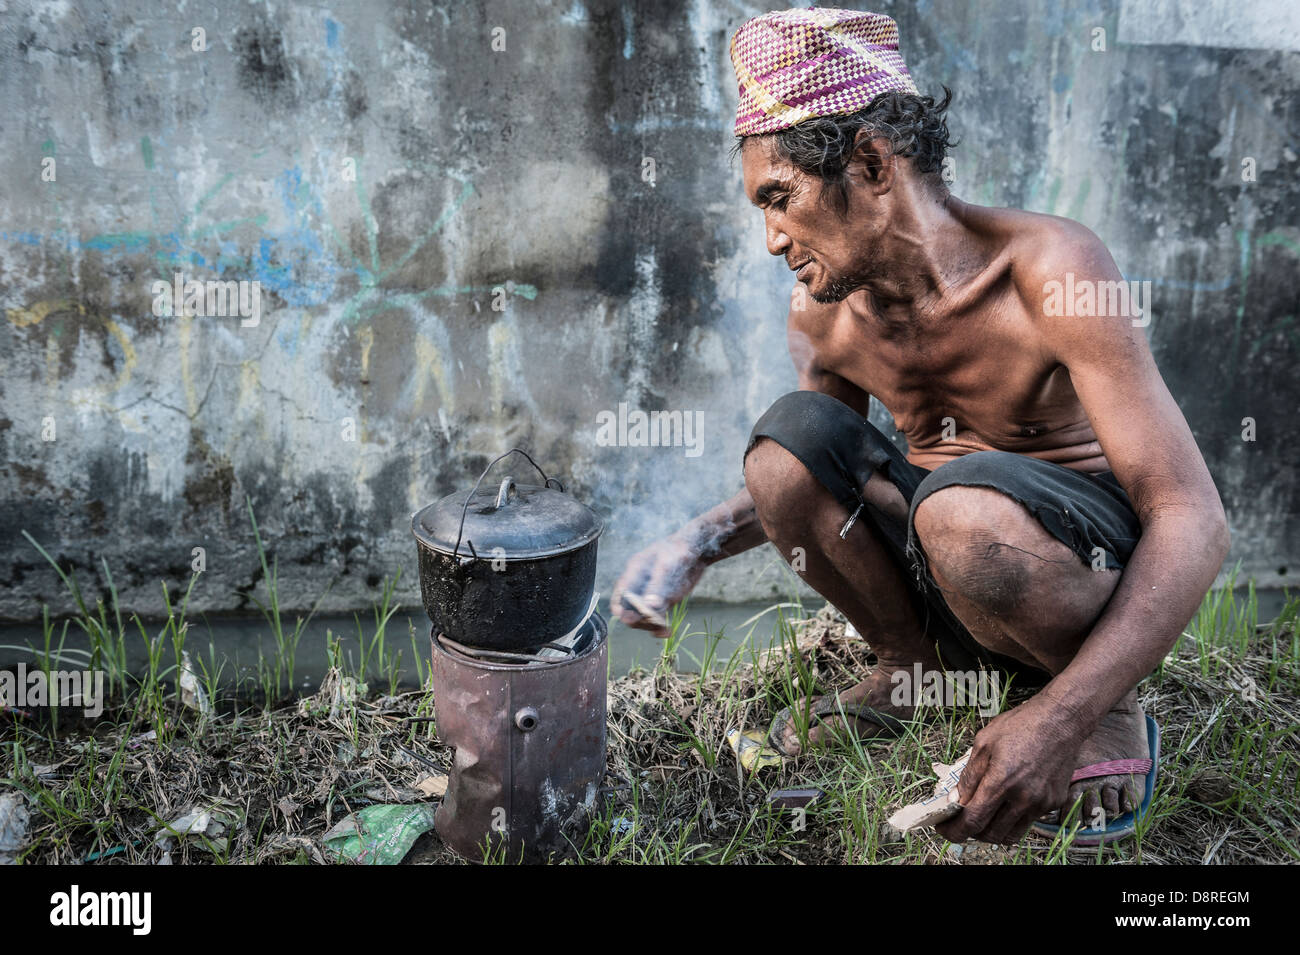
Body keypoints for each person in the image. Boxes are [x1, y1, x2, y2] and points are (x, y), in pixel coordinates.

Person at [610, 7, 1229, 846]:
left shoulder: (1052, 269)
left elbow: (1192, 515)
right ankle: (914, 668)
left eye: (780, 198)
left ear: (869, 160)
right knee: (787, 446)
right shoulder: (825, 314)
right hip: (953, 556)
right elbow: (821, 475)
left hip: (1066, 568)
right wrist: (695, 543)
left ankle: (1106, 704)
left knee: (959, 512)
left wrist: (1062, 716)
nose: (771, 239)